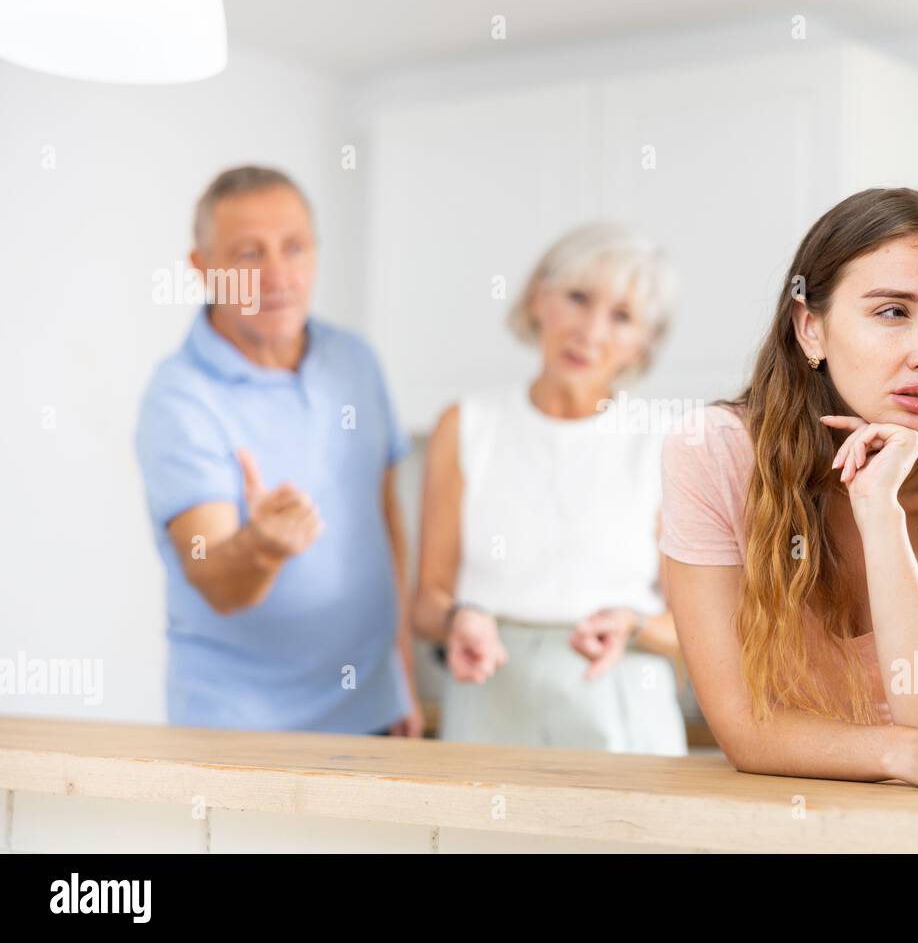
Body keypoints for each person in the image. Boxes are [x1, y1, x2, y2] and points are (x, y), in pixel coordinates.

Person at [660, 187, 918, 791]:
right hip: (850, 789)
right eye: (892, 311)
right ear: (810, 329)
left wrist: (879, 514)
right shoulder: (713, 452)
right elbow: (746, 728)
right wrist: (901, 755)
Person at [134, 166, 422, 736]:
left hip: (372, 706)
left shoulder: (354, 360)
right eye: (248, 255)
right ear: (202, 268)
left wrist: (402, 670)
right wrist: (261, 547)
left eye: (294, 248)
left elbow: (384, 514)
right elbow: (214, 577)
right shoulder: (180, 398)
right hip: (244, 727)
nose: (277, 276)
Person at [411, 223, 687, 755]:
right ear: (539, 298)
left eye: (622, 316)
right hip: (489, 703)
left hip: (625, 712)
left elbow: (693, 631)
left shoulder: (664, 442)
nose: (591, 331)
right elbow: (426, 606)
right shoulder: (465, 426)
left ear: (643, 343)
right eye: (578, 298)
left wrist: (632, 626)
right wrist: (457, 619)